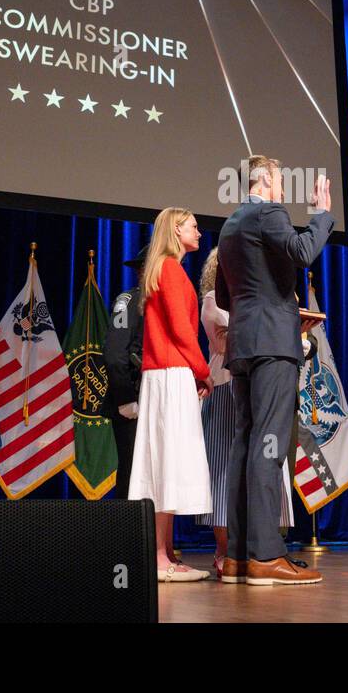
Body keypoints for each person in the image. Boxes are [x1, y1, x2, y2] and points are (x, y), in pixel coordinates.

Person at [216, 156, 333, 586]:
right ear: (265, 180)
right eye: (281, 180)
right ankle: (265, 556)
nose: (284, 188)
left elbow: (226, 297)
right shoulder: (268, 211)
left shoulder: (230, 224)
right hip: (271, 346)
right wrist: (321, 215)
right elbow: (304, 252)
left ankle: (237, 559)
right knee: (269, 444)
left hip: (245, 343)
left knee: (245, 446)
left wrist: (274, 309)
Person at [197, 248, 294, 578]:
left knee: (263, 461)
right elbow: (223, 343)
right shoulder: (213, 299)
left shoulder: (250, 299)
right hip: (225, 388)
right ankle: (226, 550)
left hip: (253, 382)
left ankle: (258, 547)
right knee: (226, 467)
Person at [128, 208, 214, 582]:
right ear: (177, 229)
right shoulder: (171, 269)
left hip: (164, 375)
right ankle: (160, 557)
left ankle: (162, 555)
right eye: (193, 225)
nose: (199, 230)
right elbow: (182, 331)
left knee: (162, 464)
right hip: (172, 374)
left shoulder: (161, 268)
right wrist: (204, 372)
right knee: (167, 463)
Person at [106, 248, 146, 499]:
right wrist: (125, 398)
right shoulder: (129, 301)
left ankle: (153, 538)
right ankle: (127, 537)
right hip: (133, 396)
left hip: (156, 399)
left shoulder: (161, 302)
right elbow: (114, 353)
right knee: (132, 476)